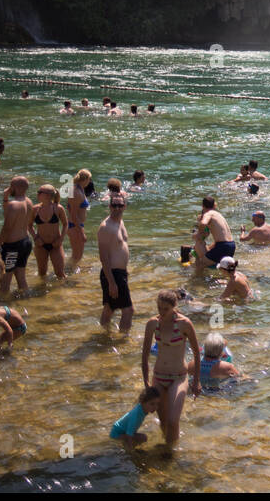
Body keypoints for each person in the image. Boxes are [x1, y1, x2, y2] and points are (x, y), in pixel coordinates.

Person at [141, 290, 201, 448]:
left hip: (179, 377)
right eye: (159, 308)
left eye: (165, 309)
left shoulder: (185, 324)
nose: (161, 312)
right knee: (164, 421)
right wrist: (146, 383)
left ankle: (171, 454)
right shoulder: (152, 323)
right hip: (159, 377)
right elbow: (145, 355)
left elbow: (196, 354)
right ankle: (167, 448)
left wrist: (196, 382)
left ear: (174, 307)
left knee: (173, 421)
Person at [98, 192, 134, 331]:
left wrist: (125, 270)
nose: (117, 208)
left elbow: (120, 249)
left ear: (125, 206)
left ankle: (103, 334)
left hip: (120, 273)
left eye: (120, 205)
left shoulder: (120, 223)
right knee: (128, 310)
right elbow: (104, 257)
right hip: (112, 274)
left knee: (110, 308)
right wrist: (112, 282)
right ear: (109, 206)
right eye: (114, 205)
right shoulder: (106, 227)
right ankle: (123, 340)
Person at [0, 176, 35, 296]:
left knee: (5, 281)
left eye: (11, 185)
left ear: (15, 188)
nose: (9, 188)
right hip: (25, 243)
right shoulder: (28, 202)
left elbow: (7, 228)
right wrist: (5, 197)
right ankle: (26, 300)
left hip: (12, 247)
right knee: (21, 278)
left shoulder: (14, 205)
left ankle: (2, 305)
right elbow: (8, 213)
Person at [29, 184, 68, 281]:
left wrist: (60, 239)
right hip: (41, 245)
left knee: (60, 273)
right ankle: (42, 293)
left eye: (39, 192)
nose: (37, 194)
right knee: (42, 273)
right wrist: (35, 238)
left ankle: (62, 294)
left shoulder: (58, 208)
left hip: (55, 244)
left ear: (47, 195)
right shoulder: (35, 209)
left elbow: (65, 224)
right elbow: (29, 226)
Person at [195, 196, 235, 267]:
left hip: (222, 246)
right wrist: (208, 249)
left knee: (201, 263)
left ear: (202, 206)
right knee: (218, 264)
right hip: (231, 245)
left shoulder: (208, 213)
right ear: (214, 205)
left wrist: (199, 233)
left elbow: (203, 223)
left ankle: (199, 278)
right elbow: (220, 240)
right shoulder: (218, 214)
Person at [66, 169, 92, 268]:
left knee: (77, 255)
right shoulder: (75, 192)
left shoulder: (79, 189)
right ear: (85, 179)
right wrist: (81, 232)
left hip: (77, 225)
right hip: (74, 226)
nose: (89, 182)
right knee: (77, 256)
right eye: (89, 179)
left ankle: (71, 270)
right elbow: (73, 214)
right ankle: (69, 272)